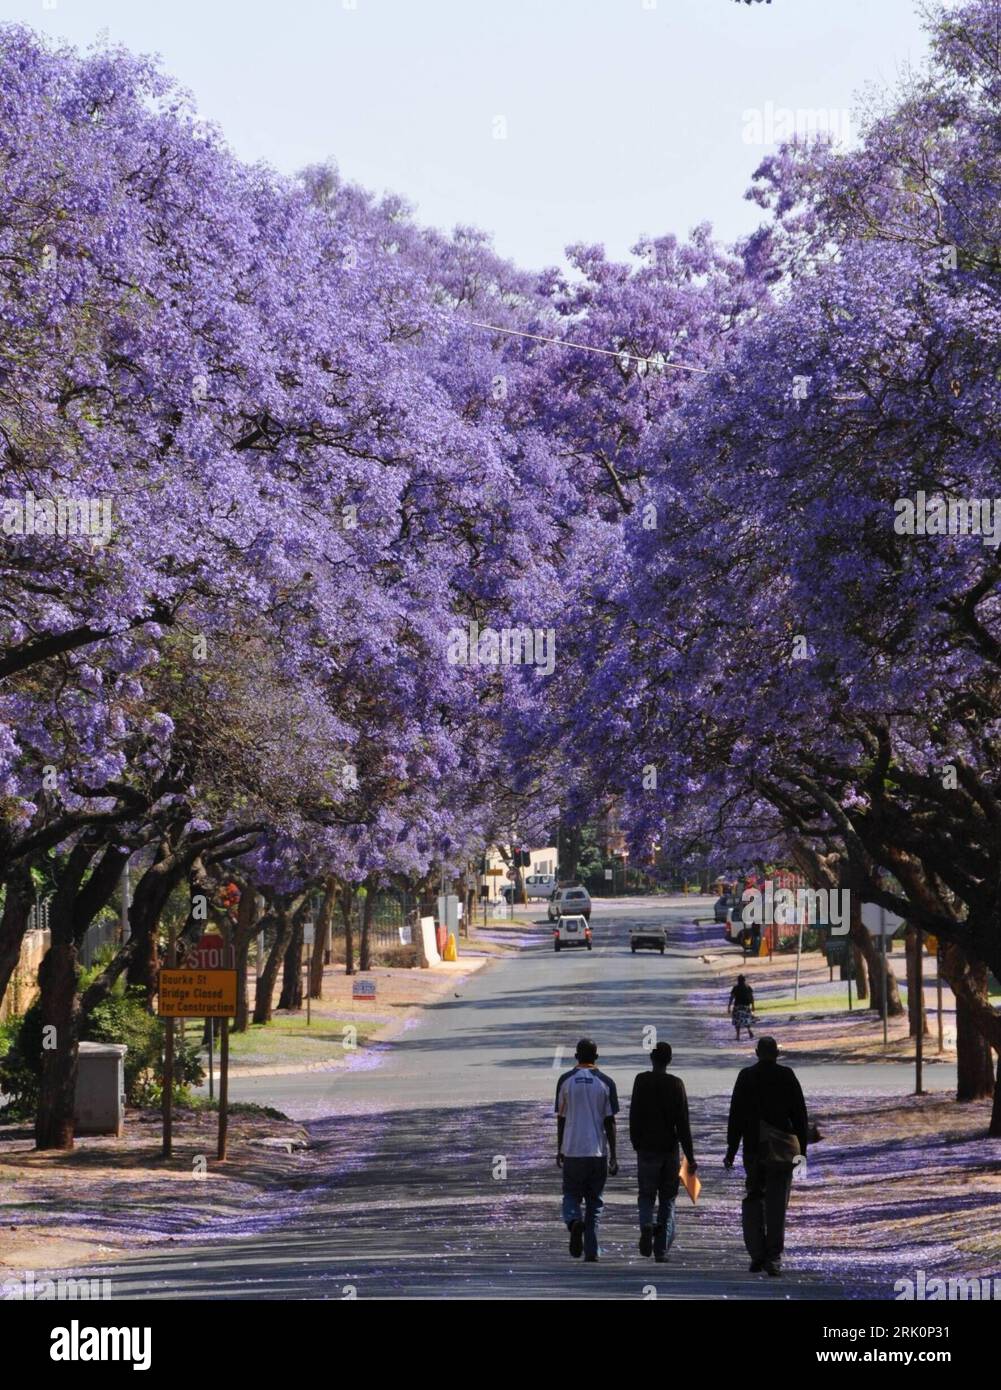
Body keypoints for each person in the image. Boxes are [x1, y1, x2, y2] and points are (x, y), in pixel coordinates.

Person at [724, 1036, 809, 1277]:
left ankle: (756, 1253)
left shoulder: (746, 1076)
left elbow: (736, 1116)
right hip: (782, 1150)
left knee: (753, 1198)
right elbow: (800, 1116)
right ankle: (773, 1256)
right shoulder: (787, 1076)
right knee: (777, 1204)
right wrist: (802, 1151)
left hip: (753, 1148)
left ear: (756, 1052)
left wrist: (731, 1150)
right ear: (777, 1054)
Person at [628, 1041, 696, 1262]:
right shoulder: (676, 1084)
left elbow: (634, 1114)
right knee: (668, 1199)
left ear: (652, 1059)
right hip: (669, 1150)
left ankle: (647, 1224)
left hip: (647, 1148)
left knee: (646, 1195)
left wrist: (636, 1141)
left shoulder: (641, 1080)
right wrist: (690, 1156)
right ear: (669, 1060)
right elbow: (683, 1124)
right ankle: (661, 1249)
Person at [555, 1038, 619, 1262]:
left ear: (576, 1057)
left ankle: (573, 1221)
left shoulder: (565, 1081)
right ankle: (591, 1250)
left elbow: (561, 1119)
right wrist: (614, 1156)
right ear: (596, 1058)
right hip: (597, 1153)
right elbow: (610, 1122)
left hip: (572, 1150)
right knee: (594, 1201)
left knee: (571, 1195)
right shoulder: (606, 1082)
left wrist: (560, 1148)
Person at [728, 974, 756, 1040]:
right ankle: (749, 1030)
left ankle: (738, 1036)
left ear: (738, 980)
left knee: (737, 1021)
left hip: (737, 1006)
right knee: (746, 1020)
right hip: (746, 1006)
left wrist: (729, 1006)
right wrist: (753, 1006)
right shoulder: (748, 987)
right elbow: (751, 997)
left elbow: (731, 998)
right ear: (744, 980)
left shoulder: (735, 987)